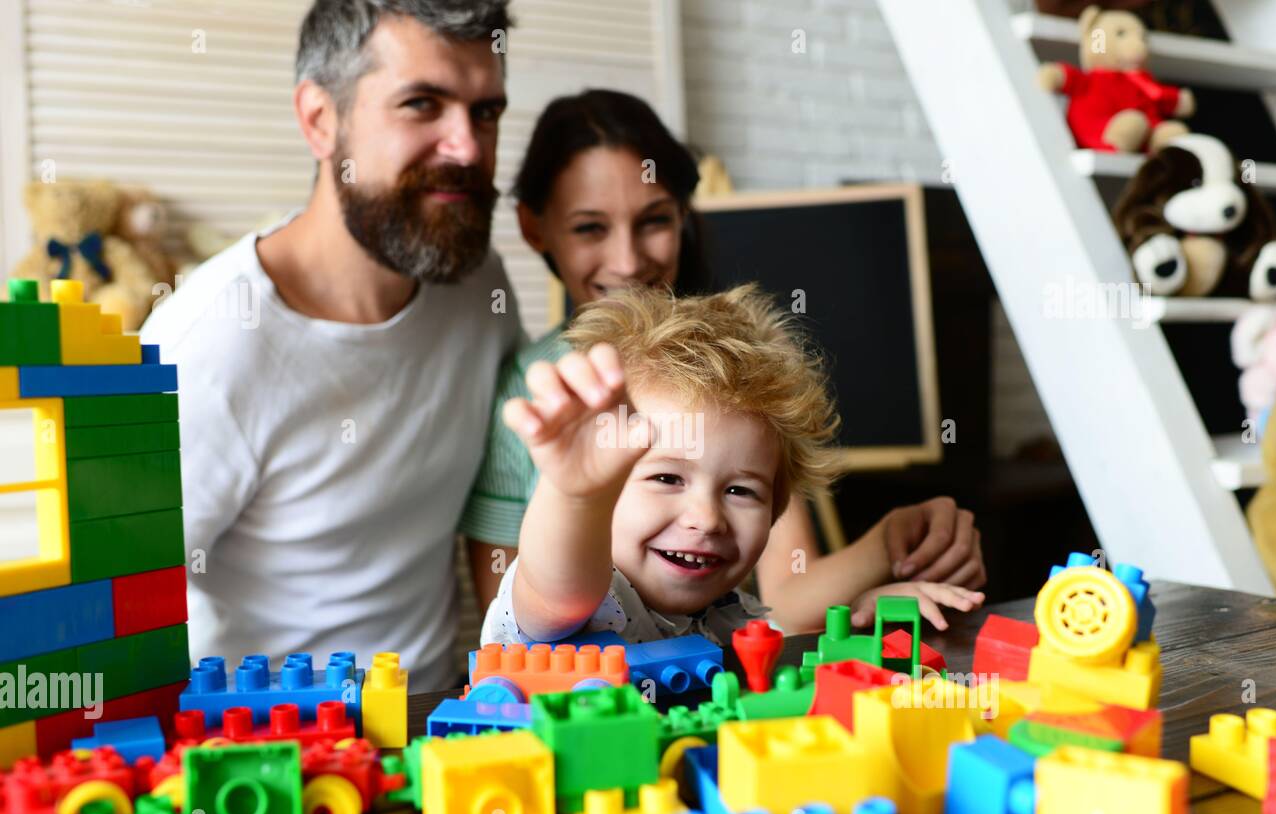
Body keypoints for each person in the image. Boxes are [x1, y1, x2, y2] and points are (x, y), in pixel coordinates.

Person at [462, 88, 986, 634]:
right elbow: (546, 607)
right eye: (591, 227)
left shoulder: (737, 383)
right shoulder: (528, 402)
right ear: (534, 226)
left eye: (654, 221)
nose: (627, 261)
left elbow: (781, 610)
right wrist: (575, 494)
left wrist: (884, 554)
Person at [143, 0, 520, 690]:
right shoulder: (206, 345)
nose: (467, 147)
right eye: (422, 104)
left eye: (486, 112)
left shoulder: (477, 284)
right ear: (320, 120)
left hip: (435, 731)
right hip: (266, 762)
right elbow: (116, 607)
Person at [480, 285, 983, 647]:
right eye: (667, 478)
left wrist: (860, 619)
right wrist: (575, 496)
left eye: (741, 491)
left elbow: (778, 649)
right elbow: (556, 595)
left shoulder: (726, 614)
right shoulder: (591, 595)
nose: (707, 517)